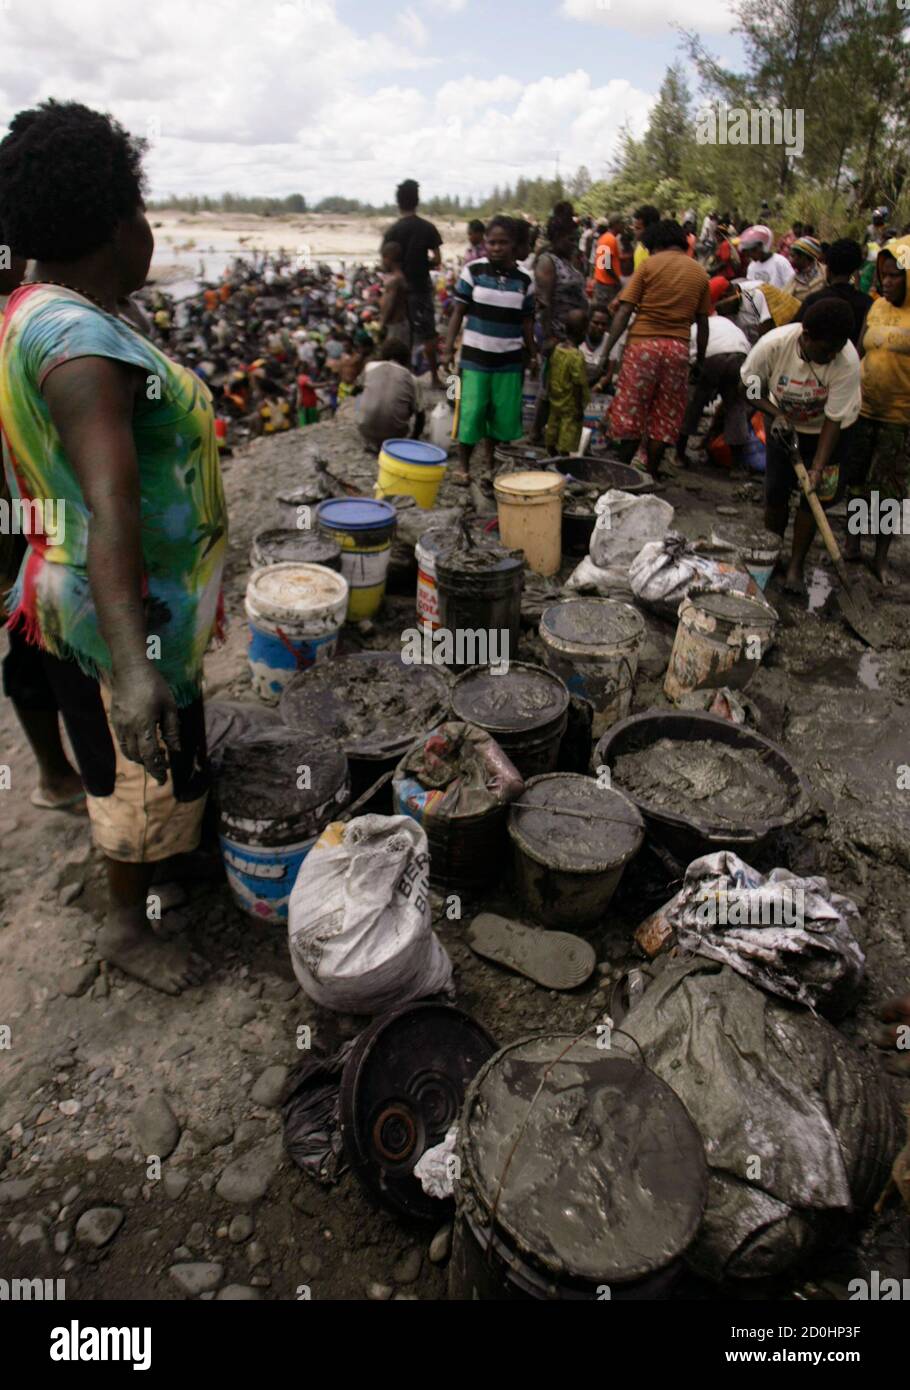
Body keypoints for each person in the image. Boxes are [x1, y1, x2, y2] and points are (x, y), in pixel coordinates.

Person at [0, 99, 228, 994]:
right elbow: (108, 507)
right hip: (117, 614)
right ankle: (127, 924)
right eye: (144, 213)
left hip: (104, 599)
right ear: (114, 223)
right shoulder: (80, 344)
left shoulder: (38, 308)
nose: (151, 231)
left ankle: (169, 865)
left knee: (144, 762)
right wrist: (134, 669)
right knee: (131, 771)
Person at [1, 233, 87, 812]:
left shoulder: (26, 317)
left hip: (35, 516)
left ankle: (62, 774)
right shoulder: (23, 325)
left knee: (42, 647)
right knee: (40, 649)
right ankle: (59, 777)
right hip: (19, 527)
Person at [741, 298, 861, 592]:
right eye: (824, 350)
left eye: (835, 350)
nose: (831, 356)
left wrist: (817, 468)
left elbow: (834, 419)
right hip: (783, 424)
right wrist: (776, 414)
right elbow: (750, 388)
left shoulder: (846, 360)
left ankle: (795, 566)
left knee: (813, 496)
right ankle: (772, 555)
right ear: (806, 337)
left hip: (832, 430)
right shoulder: (773, 345)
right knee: (777, 492)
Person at [602, 219, 712, 477]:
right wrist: (701, 360)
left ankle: (620, 474)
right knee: (664, 416)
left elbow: (625, 309)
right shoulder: (699, 273)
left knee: (631, 410)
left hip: (643, 346)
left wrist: (605, 352)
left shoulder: (648, 266)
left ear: (657, 244)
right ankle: (648, 474)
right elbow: (703, 323)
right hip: (678, 350)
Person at [444, 216, 535, 498]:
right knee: (471, 411)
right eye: (491, 242)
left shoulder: (525, 280)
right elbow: (457, 312)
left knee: (500, 413)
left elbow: (528, 321)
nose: (496, 248)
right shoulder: (473, 272)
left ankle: (492, 461)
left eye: (503, 243)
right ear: (485, 243)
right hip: (475, 358)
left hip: (509, 359)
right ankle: (463, 465)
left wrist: (531, 353)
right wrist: (448, 348)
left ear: (514, 245)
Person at [844, 236, 910, 582]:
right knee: (855, 482)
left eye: (895, 275)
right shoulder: (876, 307)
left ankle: (880, 557)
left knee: (888, 490)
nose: (886, 281)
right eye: (883, 274)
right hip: (864, 410)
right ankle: (853, 543)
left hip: (900, 418)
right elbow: (858, 351)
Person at [532, 203, 587, 442]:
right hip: (556, 332)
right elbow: (544, 301)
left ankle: (554, 433)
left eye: (576, 239)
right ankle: (537, 432)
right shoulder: (548, 260)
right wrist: (548, 336)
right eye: (570, 239)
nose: (574, 244)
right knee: (551, 384)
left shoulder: (574, 259)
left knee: (564, 384)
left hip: (573, 332)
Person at [382, 179, 443, 382]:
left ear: (398, 202)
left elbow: (385, 263)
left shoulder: (393, 230)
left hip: (399, 294)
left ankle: (400, 380)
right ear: (417, 201)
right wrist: (424, 265)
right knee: (428, 334)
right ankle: (434, 377)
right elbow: (437, 259)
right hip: (421, 289)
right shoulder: (428, 228)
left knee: (400, 337)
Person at [677, 306, 750, 467]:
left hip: (712, 358)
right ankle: (737, 466)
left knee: (693, 404)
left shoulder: (695, 328)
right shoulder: (726, 322)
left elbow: (689, 363)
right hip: (741, 356)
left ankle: (679, 455)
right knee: (736, 407)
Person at [794, 239, 871, 348]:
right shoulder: (867, 303)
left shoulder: (813, 300)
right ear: (855, 270)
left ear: (827, 268)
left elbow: (795, 334)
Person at [357, 337, 426, 452]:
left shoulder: (369, 366)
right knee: (412, 403)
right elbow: (420, 416)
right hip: (395, 438)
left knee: (363, 394)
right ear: (405, 358)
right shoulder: (412, 379)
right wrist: (414, 438)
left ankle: (371, 439)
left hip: (365, 431)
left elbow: (358, 387)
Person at [545, 308, 590, 455]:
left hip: (555, 399)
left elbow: (549, 372)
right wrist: (578, 407)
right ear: (583, 332)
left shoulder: (557, 349)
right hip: (570, 404)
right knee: (567, 435)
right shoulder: (576, 356)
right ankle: (561, 463)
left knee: (553, 428)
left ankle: (550, 456)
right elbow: (578, 383)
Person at [713, 276, 773, 346]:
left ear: (725, 297)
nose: (718, 312)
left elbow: (767, 327)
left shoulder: (754, 293)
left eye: (718, 308)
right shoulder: (723, 314)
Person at [378, 240, 410, 350]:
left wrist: (381, 323)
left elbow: (389, 304)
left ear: (388, 258)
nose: (382, 261)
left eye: (383, 258)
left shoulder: (395, 280)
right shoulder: (399, 277)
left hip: (395, 325)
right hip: (399, 324)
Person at [593, 214, 624, 310]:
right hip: (607, 285)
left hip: (602, 282)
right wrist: (618, 280)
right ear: (616, 224)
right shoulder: (610, 239)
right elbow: (606, 265)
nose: (623, 226)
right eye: (621, 224)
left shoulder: (604, 237)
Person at [785, 235, 826, 302]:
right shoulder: (793, 280)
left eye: (793, 256)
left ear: (804, 257)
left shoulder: (826, 274)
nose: (790, 259)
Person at [580, 305, 612, 386]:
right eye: (596, 323)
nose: (600, 327)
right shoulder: (579, 337)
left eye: (603, 324)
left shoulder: (610, 341)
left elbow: (609, 374)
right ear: (588, 322)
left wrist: (598, 387)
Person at [632, 204, 660, 270]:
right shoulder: (640, 247)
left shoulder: (656, 251)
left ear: (650, 228)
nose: (634, 231)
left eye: (638, 228)